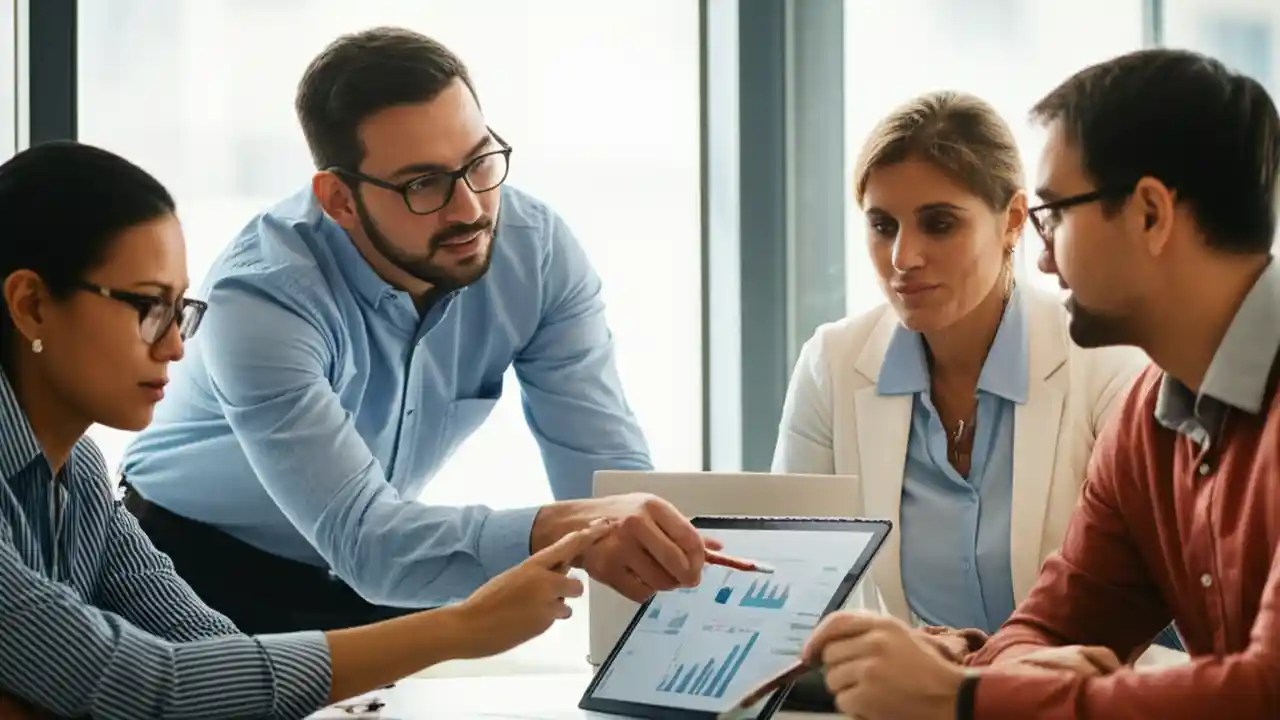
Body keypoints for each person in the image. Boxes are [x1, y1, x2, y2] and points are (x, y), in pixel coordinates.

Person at [0, 140, 620, 719]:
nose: (174, 347)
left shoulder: (76, 469)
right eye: (147, 307)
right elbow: (144, 680)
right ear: (30, 304)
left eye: (179, 310)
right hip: (222, 557)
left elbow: (202, 645)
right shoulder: (271, 285)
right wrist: (459, 628)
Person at [118, 27, 706, 633]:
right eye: (424, 183)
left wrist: (665, 566)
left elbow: (607, 473)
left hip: (371, 573)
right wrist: (566, 531)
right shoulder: (263, 300)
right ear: (339, 200)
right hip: (191, 569)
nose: (471, 208)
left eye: (479, 161)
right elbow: (368, 543)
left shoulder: (535, 251)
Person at [802, 48, 1280, 720]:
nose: (1044, 254)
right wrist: (960, 665)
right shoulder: (1152, 419)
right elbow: (1053, 626)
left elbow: (1265, 692)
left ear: (1149, 214)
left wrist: (966, 693)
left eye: (1053, 214)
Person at [772, 91, 1149, 652]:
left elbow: (1138, 610)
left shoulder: (1106, 364)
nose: (904, 257)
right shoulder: (832, 364)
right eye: (882, 225)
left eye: (939, 224)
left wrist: (973, 676)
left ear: (1013, 222)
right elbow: (788, 586)